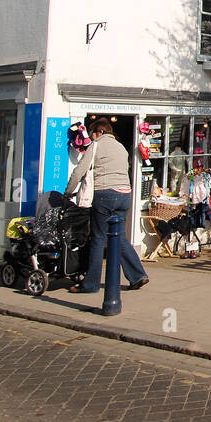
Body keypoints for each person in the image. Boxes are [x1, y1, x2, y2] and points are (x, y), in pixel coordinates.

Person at [65, 119, 149, 314]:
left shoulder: (96, 145)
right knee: (118, 238)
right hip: (125, 194)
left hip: (105, 195)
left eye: (93, 134)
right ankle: (137, 275)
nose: (92, 137)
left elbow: (80, 171)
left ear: (99, 132)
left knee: (98, 238)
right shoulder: (121, 147)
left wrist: (68, 192)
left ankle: (91, 283)